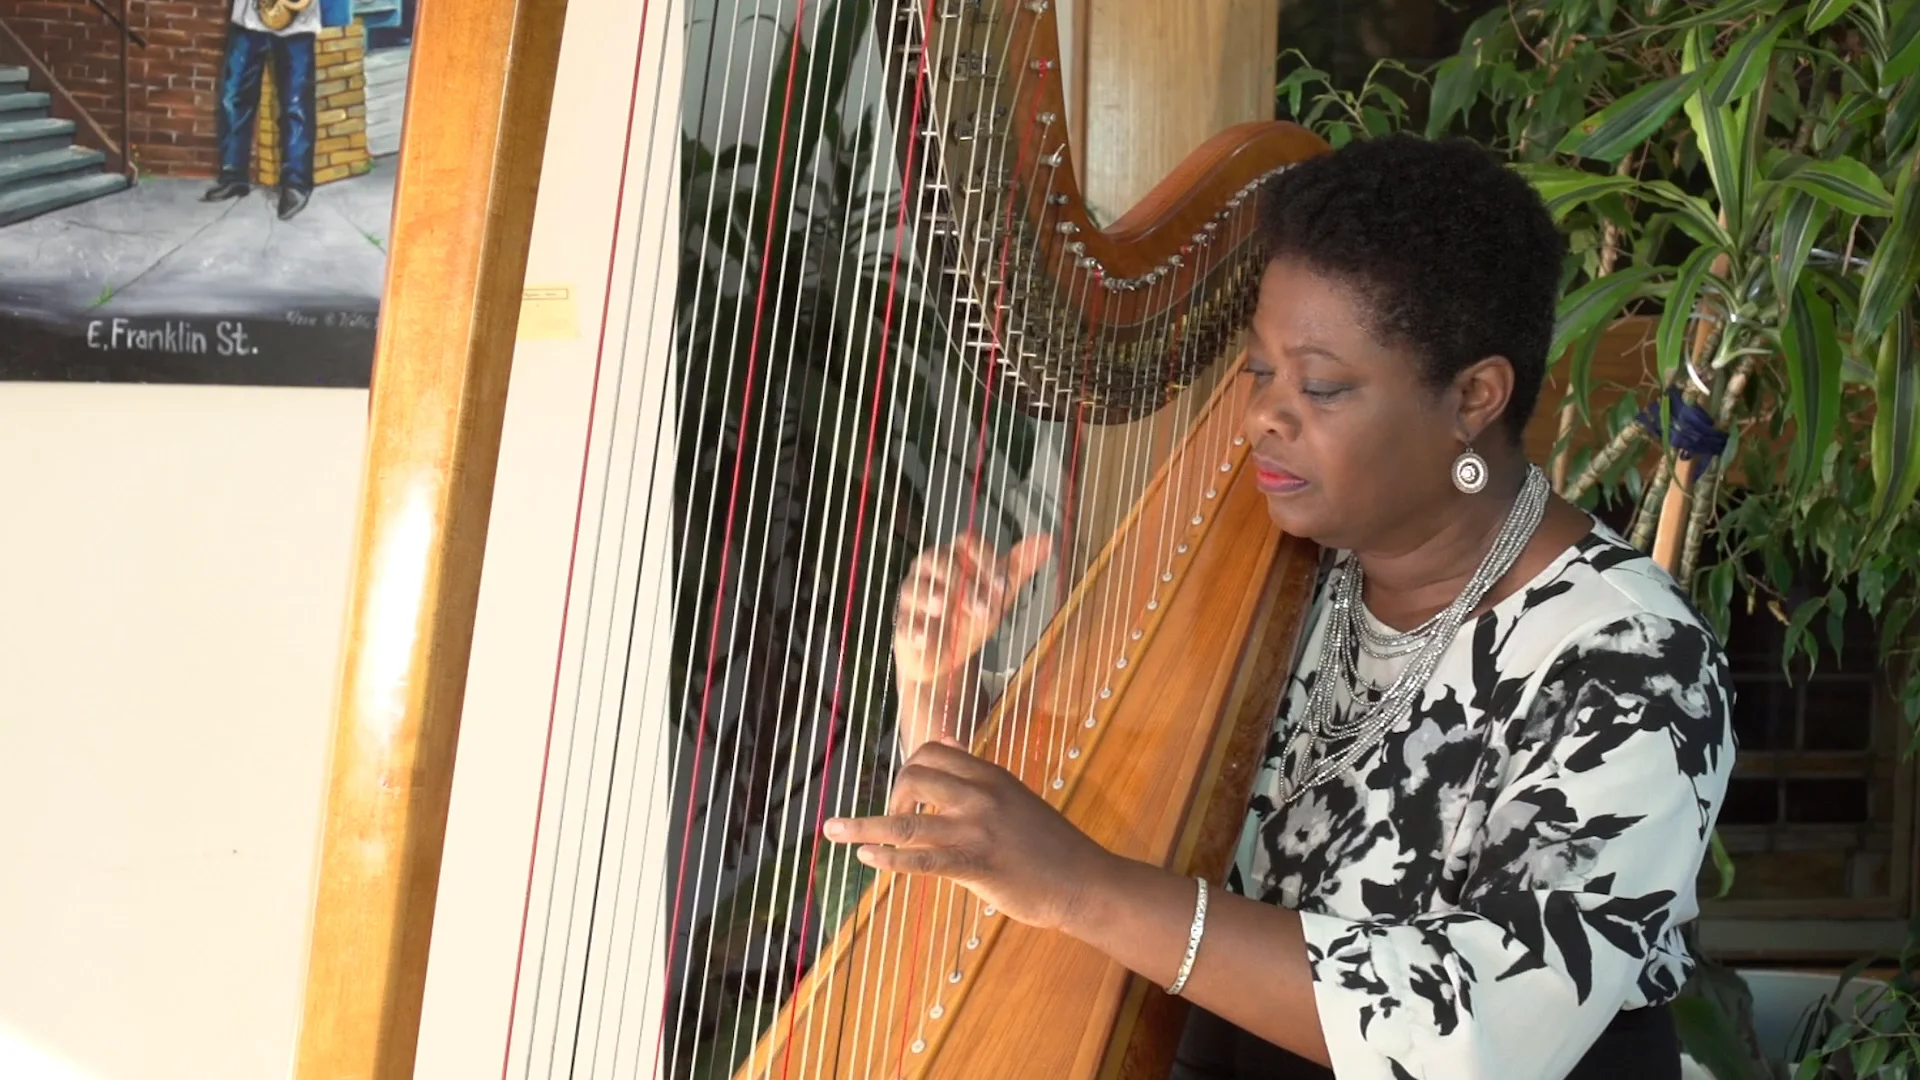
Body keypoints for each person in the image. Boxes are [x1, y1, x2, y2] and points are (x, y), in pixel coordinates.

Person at [823, 134, 1735, 1079]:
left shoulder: (1631, 658)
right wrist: (942, 690)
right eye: (1259, 368)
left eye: (1322, 385)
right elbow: (1055, 851)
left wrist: (1085, 887)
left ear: (1473, 397)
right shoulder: (1292, 575)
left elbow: (1479, 1031)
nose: (1263, 414)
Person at [203, 0, 324, 220]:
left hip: (297, 22)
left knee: (296, 105)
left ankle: (297, 183)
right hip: (248, 20)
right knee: (233, 97)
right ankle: (234, 176)